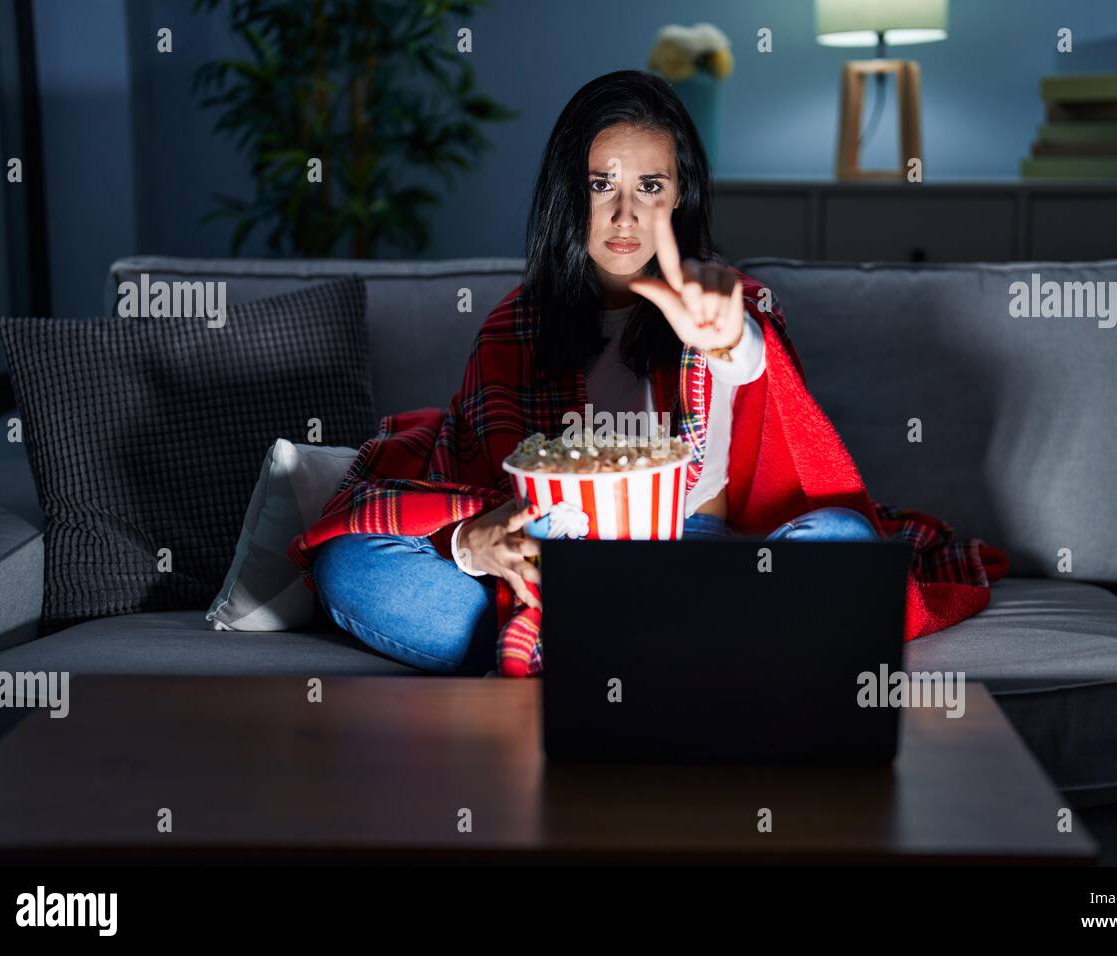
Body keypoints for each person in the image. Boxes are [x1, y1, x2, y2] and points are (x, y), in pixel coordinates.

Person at [294, 71, 1003, 677]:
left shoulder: (727, 302)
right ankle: (674, 662)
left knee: (843, 545)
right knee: (351, 566)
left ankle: (597, 662)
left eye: (651, 186)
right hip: (556, 568)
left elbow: (770, 399)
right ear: (568, 198)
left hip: (699, 563)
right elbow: (482, 478)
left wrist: (732, 342)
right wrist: (469, 545)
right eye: (601, 184)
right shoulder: (515, 326)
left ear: (680, 198)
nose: (625, 212)